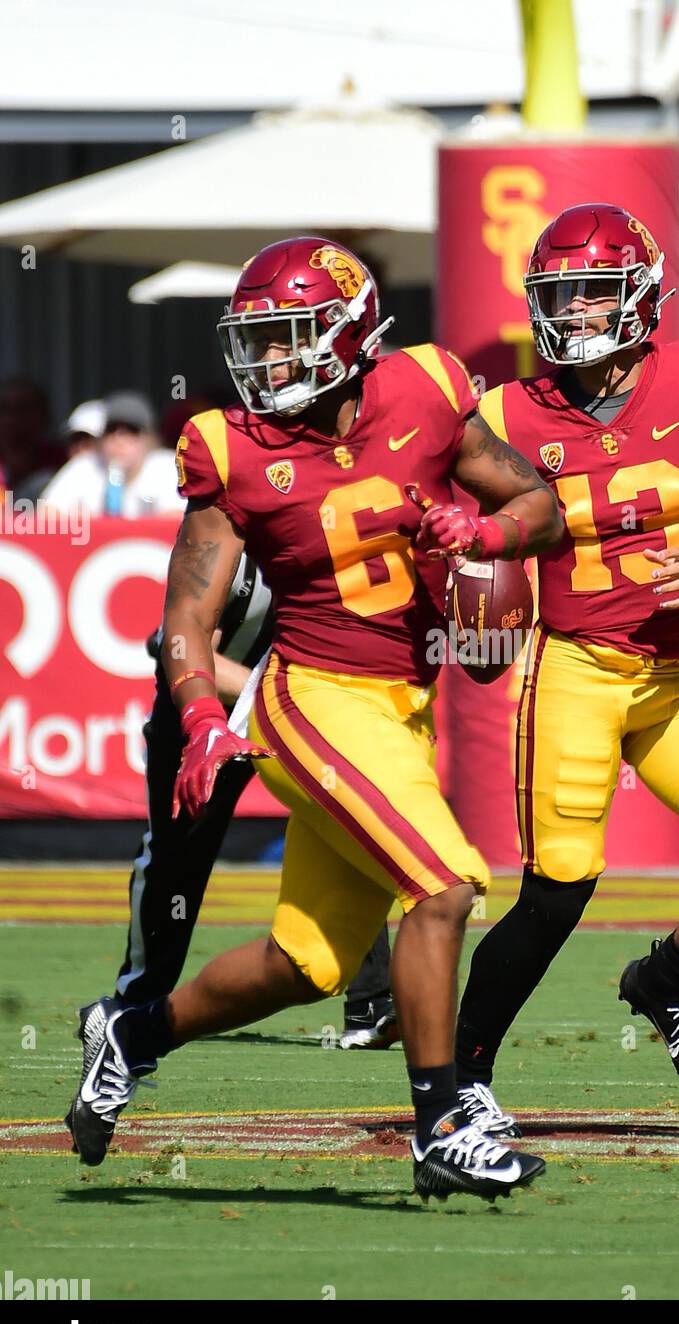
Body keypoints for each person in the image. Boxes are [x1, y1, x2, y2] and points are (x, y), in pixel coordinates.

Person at [65, 235, 562, 1200]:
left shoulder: (424, 390)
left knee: (308, 963)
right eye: (258, 341)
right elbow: (187, 617)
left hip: (403, 706)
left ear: (348, 335)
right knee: (447, 885)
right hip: (312, 699)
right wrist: (203, 713)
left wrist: (484, 531)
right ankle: (444, 1122)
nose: (269, 363)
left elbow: (538, 505)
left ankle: (130, 1032)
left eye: (289, 339)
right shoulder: (233, 446)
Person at [452, 203, 679, 1133]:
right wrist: (466, 595)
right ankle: (463, 1076)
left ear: (642, 296)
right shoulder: (503, 415)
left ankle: (665, 981)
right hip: (576, 666)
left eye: (592, 293)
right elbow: (461, 537)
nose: (573, 315)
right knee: (557, 891)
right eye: (559, 296)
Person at [108, 555, 397, 1049]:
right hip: (206, 716)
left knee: (347, 825)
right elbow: (181, 649)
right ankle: (135, 1002)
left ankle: (371, 1001)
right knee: (178, 856)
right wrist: (281, 694)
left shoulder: (330, 531)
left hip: (289, 705)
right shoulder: (225, 545)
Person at [42, 391, 183, 517]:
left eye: (131, 430)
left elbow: (177, 518)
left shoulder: (165, 466)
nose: (119, 439)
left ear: (148, 439)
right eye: (111, 430)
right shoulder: (84, 465)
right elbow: (46, 513)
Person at [0, 377, 65, 502]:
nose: (11, 419)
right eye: (3, 410)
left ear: (44, 417)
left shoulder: (62, 463)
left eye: (22, 410)